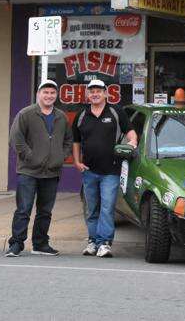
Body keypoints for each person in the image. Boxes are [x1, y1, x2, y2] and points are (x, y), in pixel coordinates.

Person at [5, 79, 73, 257]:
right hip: (28, 171)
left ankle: (40, 244)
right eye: (45, 92)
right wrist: (31, 157)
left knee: (45, 211)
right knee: (24, 209)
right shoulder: (26, 114)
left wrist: (61, 156)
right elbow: (16, 139)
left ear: (56, 95)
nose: (49, 96)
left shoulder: (61, 117)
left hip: (51, 172)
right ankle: (16, 244)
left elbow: (68, 140)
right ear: (38, 94)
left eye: (52, 93)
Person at [72, 79, 137, 258]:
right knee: (92, 209)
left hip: (111, 170)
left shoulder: (116, 112)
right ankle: (93, 241)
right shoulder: (81, 115)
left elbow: (131, 134)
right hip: (89, 170)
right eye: (92, 91)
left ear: (106, 93)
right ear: (88, 94)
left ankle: (105, 243)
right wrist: (76, 162)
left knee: (107, 208)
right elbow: (76, 141)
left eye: (98, 91)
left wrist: (132, 143)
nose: (95, 94)